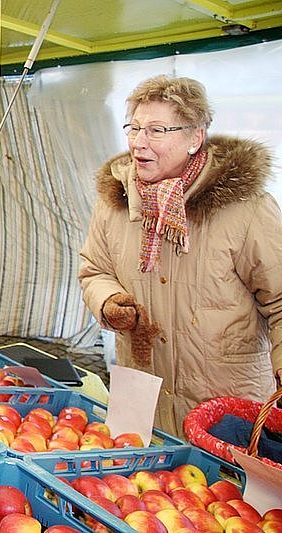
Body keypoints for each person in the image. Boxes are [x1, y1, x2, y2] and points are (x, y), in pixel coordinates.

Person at [79, 75, 282, 437]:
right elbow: (94, 269)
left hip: (223, 409)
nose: (139, 142)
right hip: (145, 399)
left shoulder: (246, 208)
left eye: (157, 130)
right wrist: (108, 300)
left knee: (227, 491)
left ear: (195, 138)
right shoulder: (116, 202)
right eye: (135, 127)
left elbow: (280, 298)